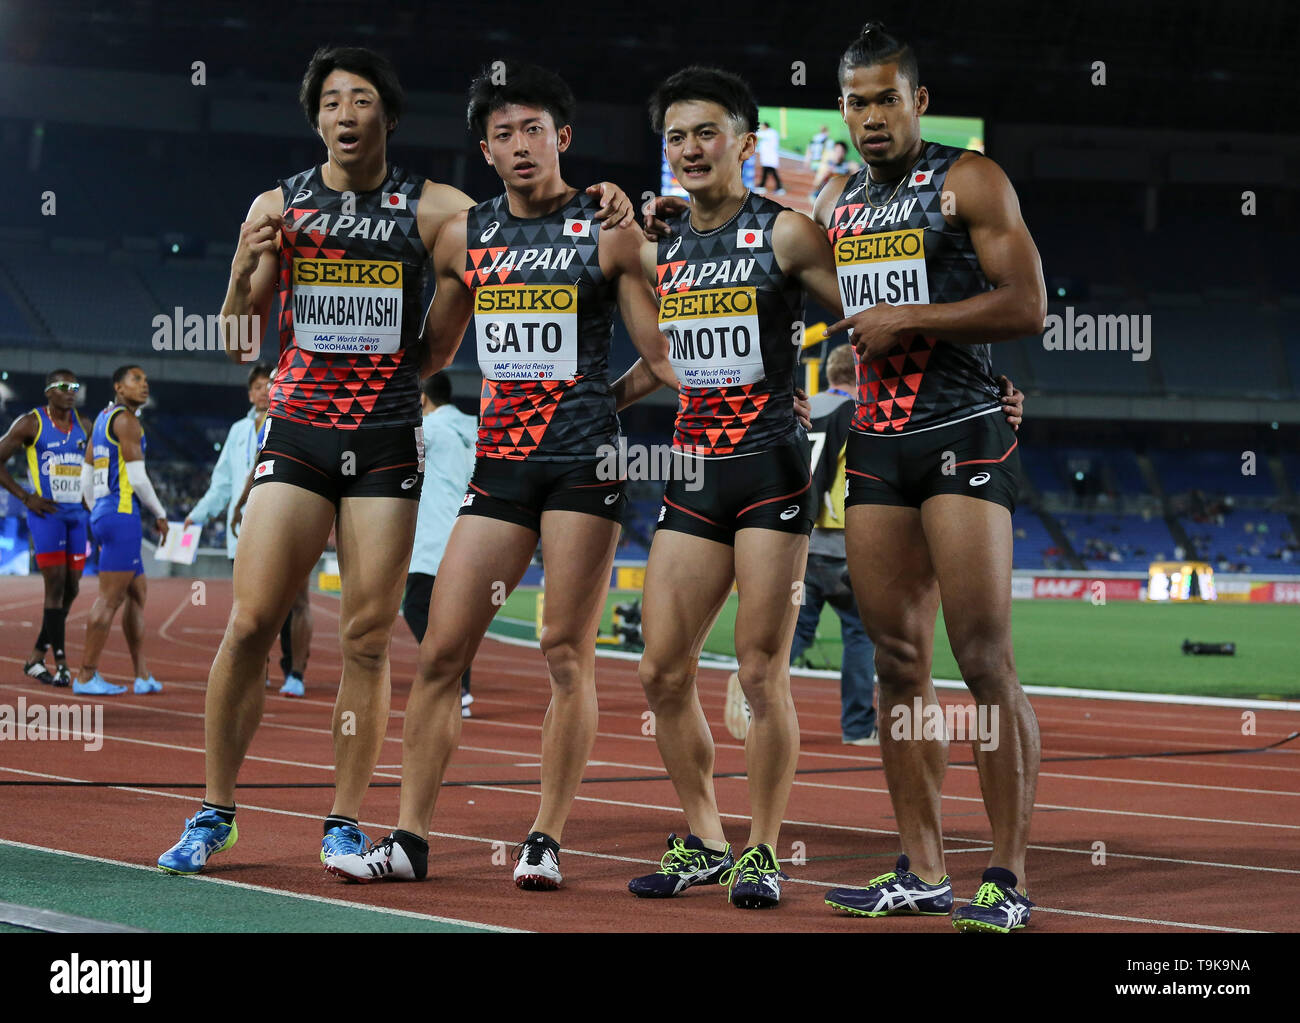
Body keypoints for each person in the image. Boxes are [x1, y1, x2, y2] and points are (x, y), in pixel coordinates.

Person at [156, 45, 635, 877]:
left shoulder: (436, 209)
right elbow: (238, 345)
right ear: (316, 120)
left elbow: (522, 226)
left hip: (384, 443)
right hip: (299, 432)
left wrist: (609, 198)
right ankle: (214, 808)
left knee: (370, 637)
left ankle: (344, 820)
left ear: (389, 116)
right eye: (332, 102)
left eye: (363, 100)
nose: (347, 114)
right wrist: (241, 266)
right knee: (248, 622)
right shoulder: (279, 205)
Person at [323, 61, 677, 891]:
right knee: (442, 650)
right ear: (485, 148)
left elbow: (663, 356)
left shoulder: (609, 229)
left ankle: (545, 836)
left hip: (584, 469)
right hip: (503, 470)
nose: (522, 145)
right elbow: (431, 356)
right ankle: (409, 839)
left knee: (564, 648)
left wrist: (604, 406)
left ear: (564, 137)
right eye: (505, 133)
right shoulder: (467, 236)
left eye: (535, 129)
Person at [813, 23, 1046, 933]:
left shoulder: (969, 178)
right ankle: (921, 868)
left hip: (961, 437)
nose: (871, 116)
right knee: (900, 665)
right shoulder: (838, 203)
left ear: (919, 100)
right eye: (856, 101)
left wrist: (916, 316)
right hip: (877, 444)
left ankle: (1009, 876)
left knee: (984, 660)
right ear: (842, 108)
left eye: (886, 98)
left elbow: (1026, 303)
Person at [618, 66, 857, 911]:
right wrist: (609, 401)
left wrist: (953, 382)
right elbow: (664, 356)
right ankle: (706, 838)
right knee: (658, 669)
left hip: (769, 474)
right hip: (691, 472)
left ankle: (763, 850)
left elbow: (862, 317)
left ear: (746, 143)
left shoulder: (786, 235)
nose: (689, 149)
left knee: (761, 670)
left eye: (706, 133)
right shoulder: (661, 244)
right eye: (676, 136)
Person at [185, 363, 311, 696]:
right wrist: (198, 515)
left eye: (269, 384)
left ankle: (295, 673)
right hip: (244, 528)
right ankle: (259, 668)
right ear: (249, 392)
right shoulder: (239, 431)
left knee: (296, 600)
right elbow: (222, 482)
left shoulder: (296, 418)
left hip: (289, 520)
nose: (263, 391)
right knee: (252, 605)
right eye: (257, 386)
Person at [76, 365, 168, 696]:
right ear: (119, 386)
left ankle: (142, 674)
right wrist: (160, 513)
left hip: (105, 513)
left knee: (137, 591)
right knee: (110, 598)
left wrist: (95, 508)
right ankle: (85, 676)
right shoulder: (128, 421)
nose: (144, 385)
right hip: (121, 515)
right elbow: (139, 478)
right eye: (136, 379)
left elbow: (86, 474)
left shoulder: (101, 419)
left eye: (146, 380)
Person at [0, 369, 91, 687]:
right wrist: (26, 497)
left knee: (73, 588)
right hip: (46, 515)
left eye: (74, 387)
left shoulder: (85, 426)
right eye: (64, 387)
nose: (71, 392)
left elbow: (97, 466)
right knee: (55, 584)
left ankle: (37, 656)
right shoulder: (31, 423)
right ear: (48, 391)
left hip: (76, 517)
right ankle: (63, 662)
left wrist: (90, 499)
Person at [401, 372, 476, 717]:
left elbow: (394, 441)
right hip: (466, 531)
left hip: (433, 535)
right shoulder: (471, 432)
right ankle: (461, 686)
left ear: (424, 399)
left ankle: (450, 676)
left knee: (416, 605)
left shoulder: (429, 430)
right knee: (455, 614)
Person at [754, 121, 785, 195]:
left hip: (770, 157)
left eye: (762, 127)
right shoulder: (768, 133)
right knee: (766, 172)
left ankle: (779, 188)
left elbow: (759, 134)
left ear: (765, 126)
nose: (761, 128)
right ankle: (762, 186)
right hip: (767, 158)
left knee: (772, 172)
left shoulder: (771, 133)